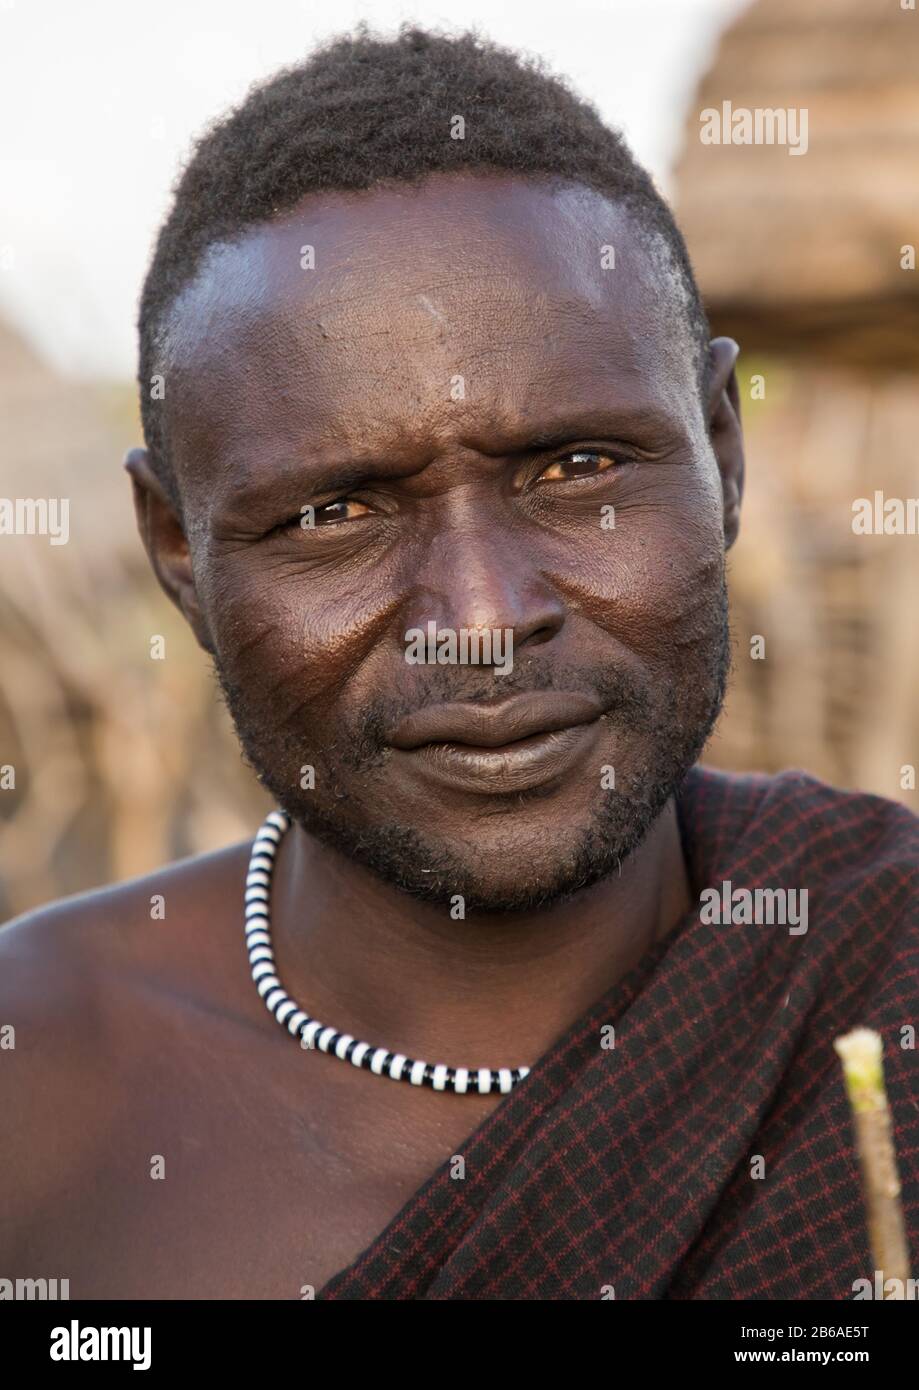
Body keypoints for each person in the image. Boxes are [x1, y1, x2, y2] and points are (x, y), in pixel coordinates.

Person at [1, 25, 916, 1301]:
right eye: (335, 514)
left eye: (578, 468)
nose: (482, 615)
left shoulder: (886, 961)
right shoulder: (32, 1099)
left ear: (724, 453)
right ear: (177, 552)